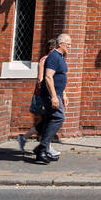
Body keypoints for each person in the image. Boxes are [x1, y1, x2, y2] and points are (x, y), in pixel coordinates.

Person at [34, 33, 71, 164]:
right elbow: (48, 77)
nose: (69, 47)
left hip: (57, 94)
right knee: (58, 117)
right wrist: (54, 97)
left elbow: (60, 78)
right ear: (60, 44)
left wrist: (64, 94)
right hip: (50, 95)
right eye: (68, 44)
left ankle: (42, 149)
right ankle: (42, 148)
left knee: (50, 119)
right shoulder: (53, 57)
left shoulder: (60, 57)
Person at [18, 38, 57, 154]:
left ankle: (25, 138)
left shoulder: (52, 59)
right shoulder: (44, 60)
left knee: (48, 120)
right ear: (51, 49)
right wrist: (50, 93)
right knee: (49, 120)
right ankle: (46, 147)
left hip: (49, 94)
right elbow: (40, 79)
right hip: (44, 95)